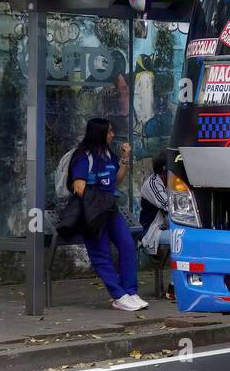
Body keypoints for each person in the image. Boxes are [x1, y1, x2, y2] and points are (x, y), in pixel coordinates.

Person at [68, 117, 147, 312]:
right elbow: (78, 186)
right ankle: (118, 295)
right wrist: (97, 201)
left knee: (128, 245)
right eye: (110, 131)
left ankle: (130, 291)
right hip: (92, 211)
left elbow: (115, 180)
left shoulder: (107, 154)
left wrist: (125, 159)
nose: (112, 134)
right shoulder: (83, 156)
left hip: (110, 209)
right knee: (101, 252)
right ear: (100, 133)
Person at [138, 153, 173, 301]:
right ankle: (174, 288)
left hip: (165, 229)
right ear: (164, 169)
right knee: (181, 240)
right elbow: (170, 207)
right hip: (152, 233)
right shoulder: (153, 184)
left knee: (189, 238)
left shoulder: (169, 182)